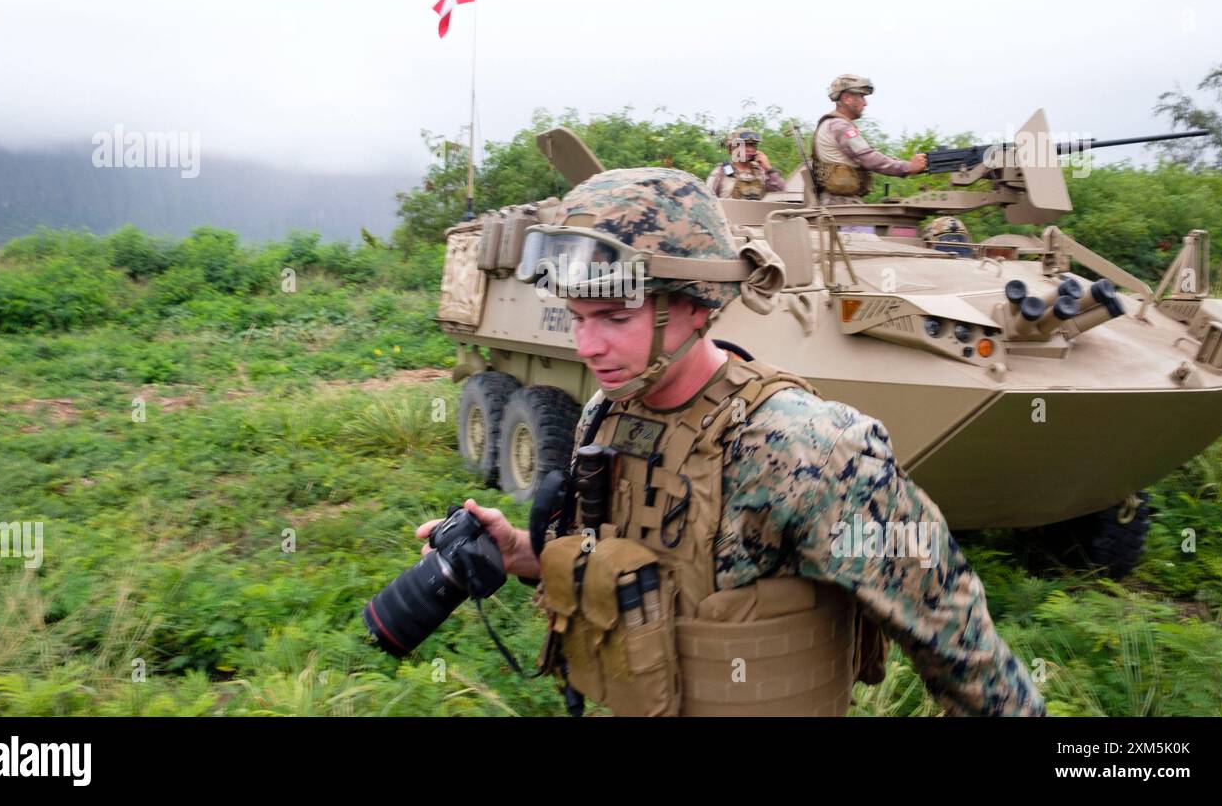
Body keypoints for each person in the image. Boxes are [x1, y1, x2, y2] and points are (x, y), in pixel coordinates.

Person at [418, 168, 1045, 717]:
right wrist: (521, 553)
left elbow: (956, 640)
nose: (586, 348)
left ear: (697, 305)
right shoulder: (604, 418)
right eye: (578, 319)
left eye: (614, 318)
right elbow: (626, 567)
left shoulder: (808, 446)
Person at [813, 75, 929, 205]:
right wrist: (907, 167)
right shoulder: (840, 126)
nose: (865, 103)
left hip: (839, 201)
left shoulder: (834, 124)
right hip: (841, 203)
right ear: (846, 98)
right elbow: (869, 159)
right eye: (861, 97)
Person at [708, 127, 786, 199]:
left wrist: (769, 169)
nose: (749, 149)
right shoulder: (721, 172)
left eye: (752, 145)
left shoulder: (761, 171)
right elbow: (707, 199)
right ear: (731, 149)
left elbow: (781, 195)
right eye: (744, 145)